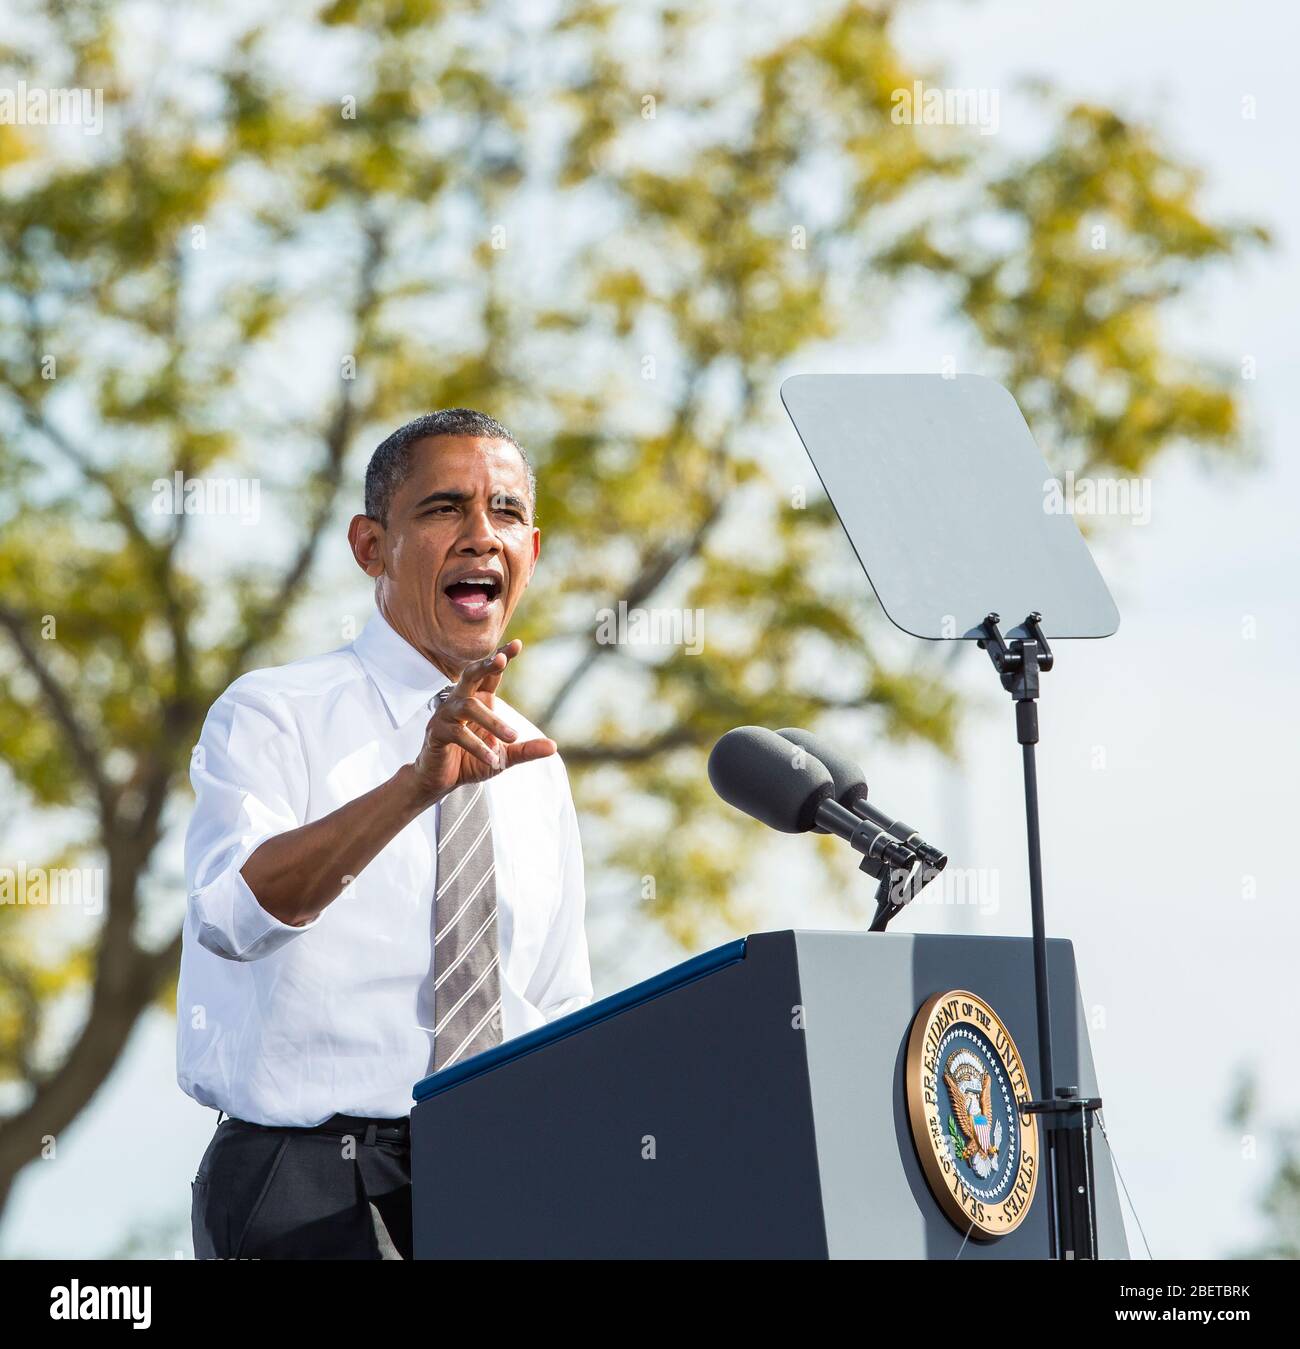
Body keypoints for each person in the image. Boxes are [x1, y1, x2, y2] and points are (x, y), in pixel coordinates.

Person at [179, 408, 592, 1258]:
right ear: (371, 546)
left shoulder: (535, 764)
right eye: (445, 508)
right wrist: (412, 788)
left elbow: (557, 1006)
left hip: (496, 1174)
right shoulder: (274, 713)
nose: (482, 536)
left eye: (506, 513)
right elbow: (232, 915)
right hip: (307, 1183)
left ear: (534, 552)